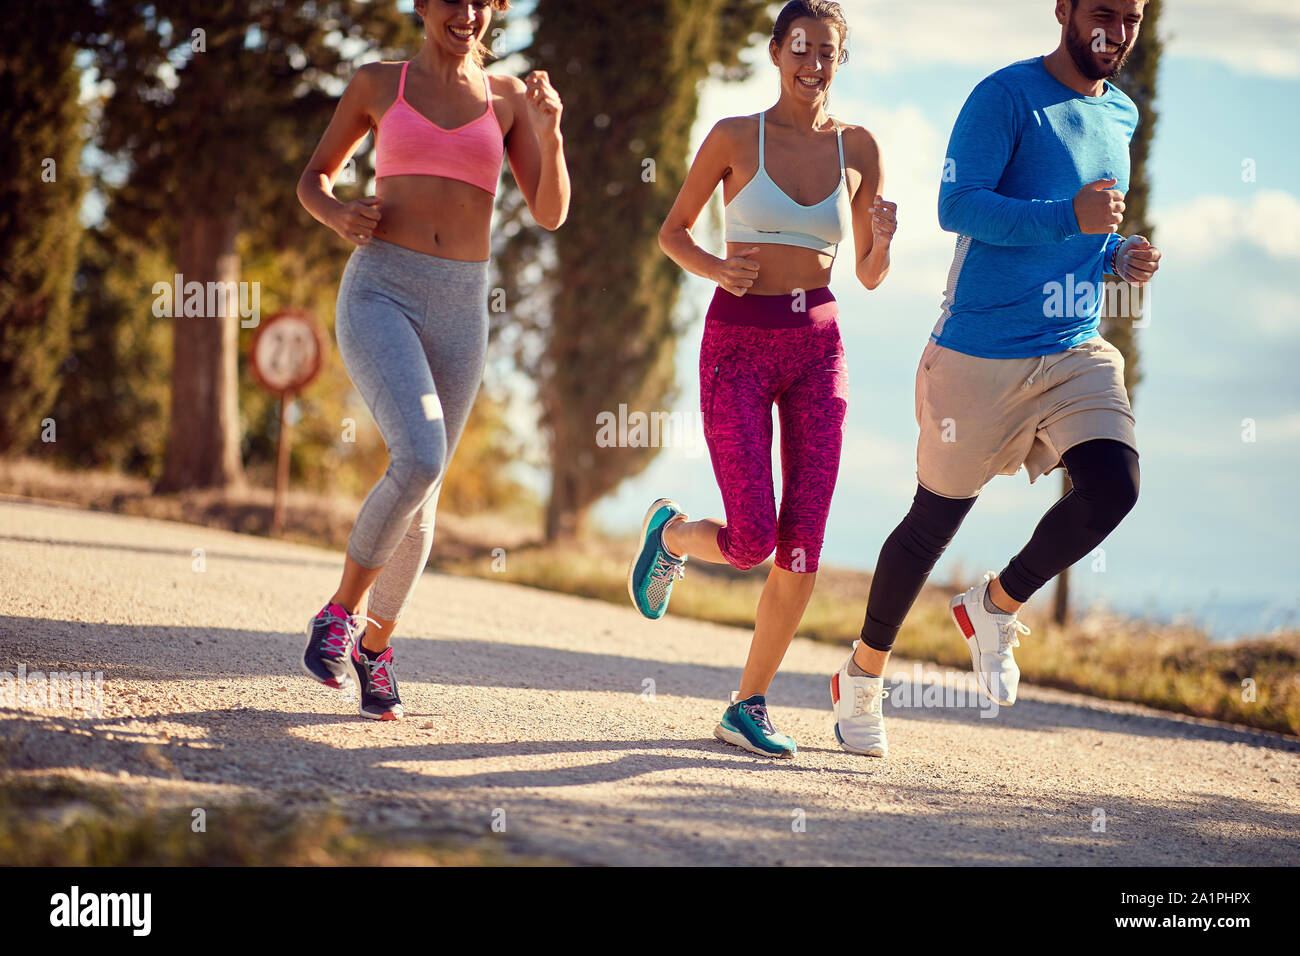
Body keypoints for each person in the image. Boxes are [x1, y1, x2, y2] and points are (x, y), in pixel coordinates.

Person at [833, 0, 1161, 757]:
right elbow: (960, 207)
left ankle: (996, 605)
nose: (1116, 30)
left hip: (1074, 346)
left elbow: (1089, 233)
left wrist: (1118, 258)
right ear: (1064, 10)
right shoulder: (1004, 96)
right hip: (979, 352)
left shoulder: (1121, 115)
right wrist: (1067, 218)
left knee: (1116, 487)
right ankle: (863, 674)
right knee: (931, 526)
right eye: (1102, 12)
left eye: (1133, 18)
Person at [628, 0, 897, 758]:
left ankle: (747, 703)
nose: (815, 66)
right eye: (802, 50)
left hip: (819, 347)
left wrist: (882, 241)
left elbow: (871, 274)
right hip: (738, 345)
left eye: (829, 54)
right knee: (751, 540)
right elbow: (671, 231)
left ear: (840, 61)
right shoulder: (731, 137)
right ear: (777, 52)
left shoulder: (861, 147)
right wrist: (717, 267)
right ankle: (672, 535)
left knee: (802, 545)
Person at [295, 0, 569, 720]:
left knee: (426, 495)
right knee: (418, 457)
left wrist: (551, 133)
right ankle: (339, 614)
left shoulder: (509, 98)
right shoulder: (375, 84)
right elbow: (313, 178)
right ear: (421, 3)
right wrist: (337, 214)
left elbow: (550, 212)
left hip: (459, 307)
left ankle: (375, 649)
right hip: (382, 290)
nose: (467, 12)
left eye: (483, 0)